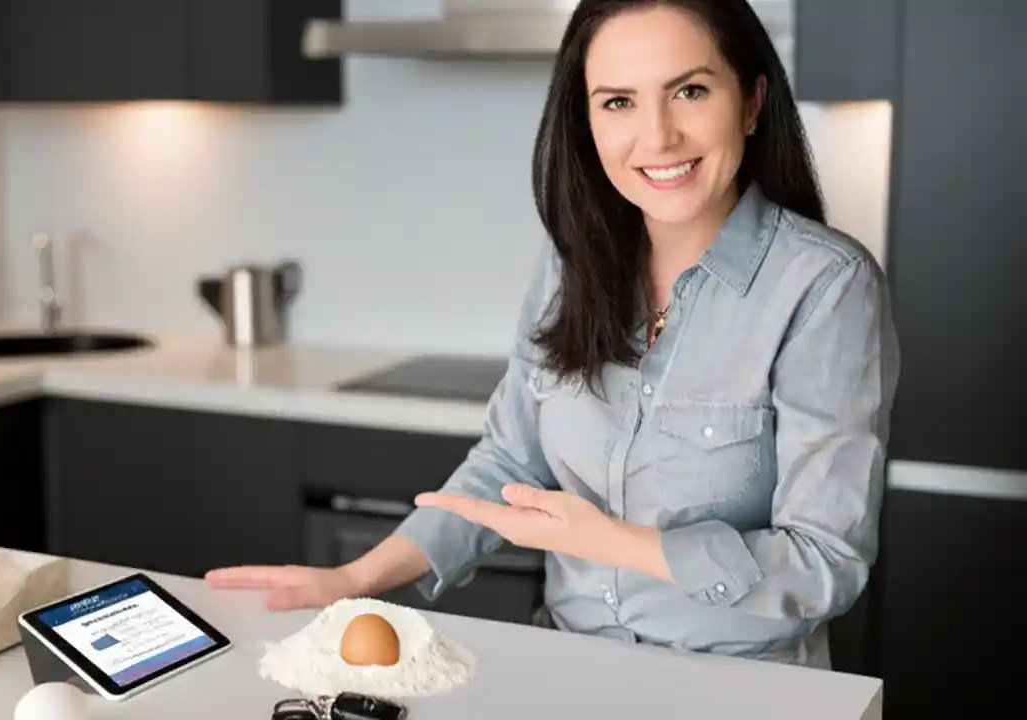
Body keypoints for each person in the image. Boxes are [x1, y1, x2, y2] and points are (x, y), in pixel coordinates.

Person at [206, 0, 900, 669]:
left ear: (750, 102)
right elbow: (509, 464)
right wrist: (356, 578)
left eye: (689, 90)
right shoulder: (572, 262)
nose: (657, 137)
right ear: (588, 121)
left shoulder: (825, 287)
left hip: (746, 687)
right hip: (572, 669)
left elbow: (823, 563)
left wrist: (616, 543)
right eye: (618, 101)